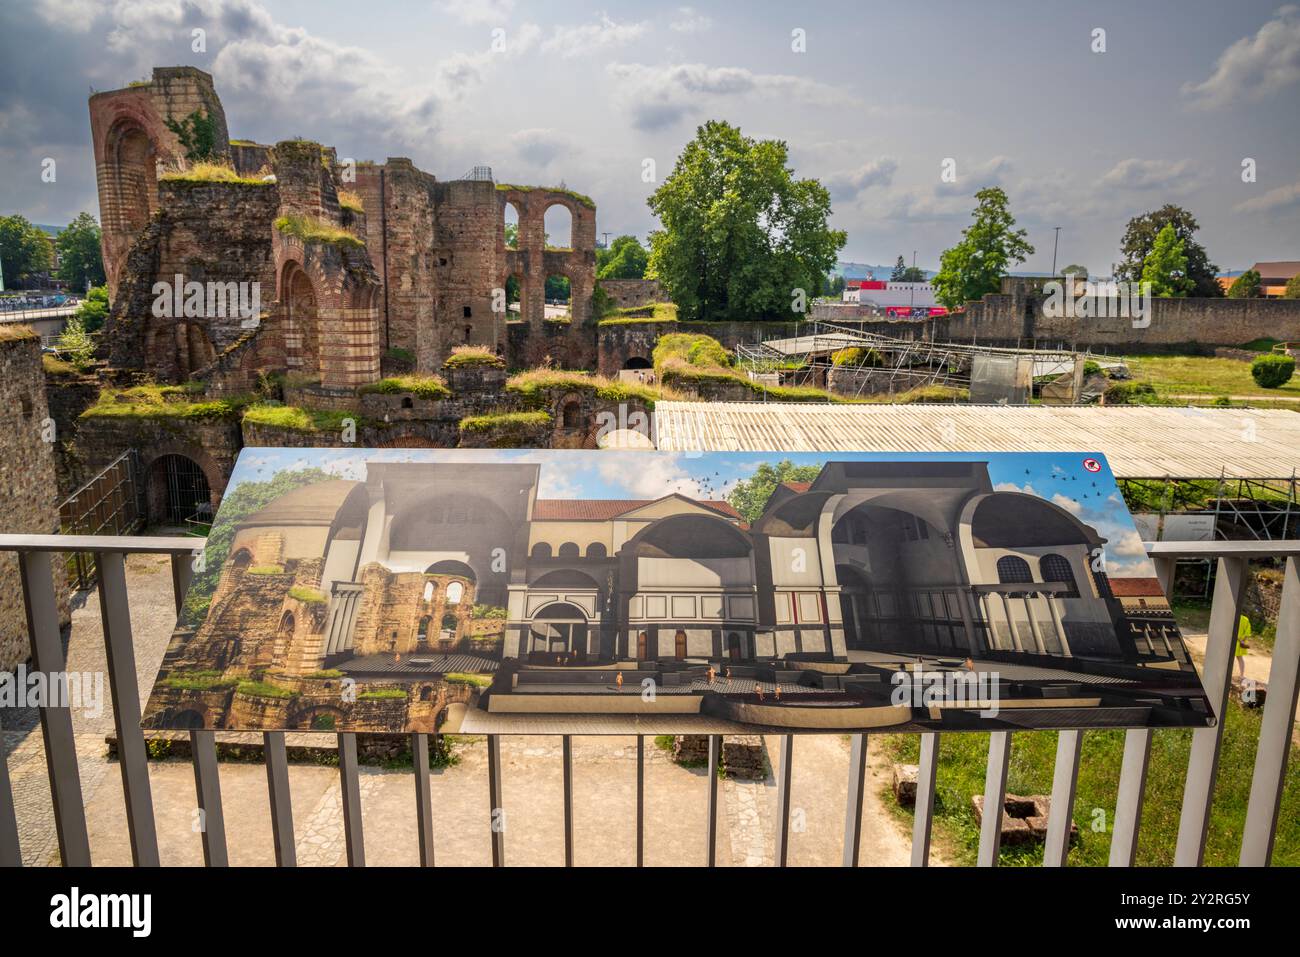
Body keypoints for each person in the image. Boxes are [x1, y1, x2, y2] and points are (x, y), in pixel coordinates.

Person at [1235, 614, 1251, 681]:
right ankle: (1242, 675)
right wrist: (1242, 640)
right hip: (1240, 643)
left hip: (1231, 642)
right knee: (1240, 659)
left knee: (1226, 658)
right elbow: (1248, 632)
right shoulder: (1245, 619)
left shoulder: (1232, 617)